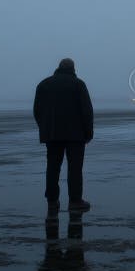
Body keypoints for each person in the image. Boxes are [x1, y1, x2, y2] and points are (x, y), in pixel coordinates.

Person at [33, 58, 94, 212]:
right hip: (76, 135)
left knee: (53, 167)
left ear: (58, 67)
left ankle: (52, 201)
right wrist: (88, 133)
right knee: (75, 168)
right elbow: (87, 111)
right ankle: (75, 201)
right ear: (73, 69)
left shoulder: (44, 84)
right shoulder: (78, 84)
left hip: (52, 134)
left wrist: (45, 128)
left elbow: (37, 111)